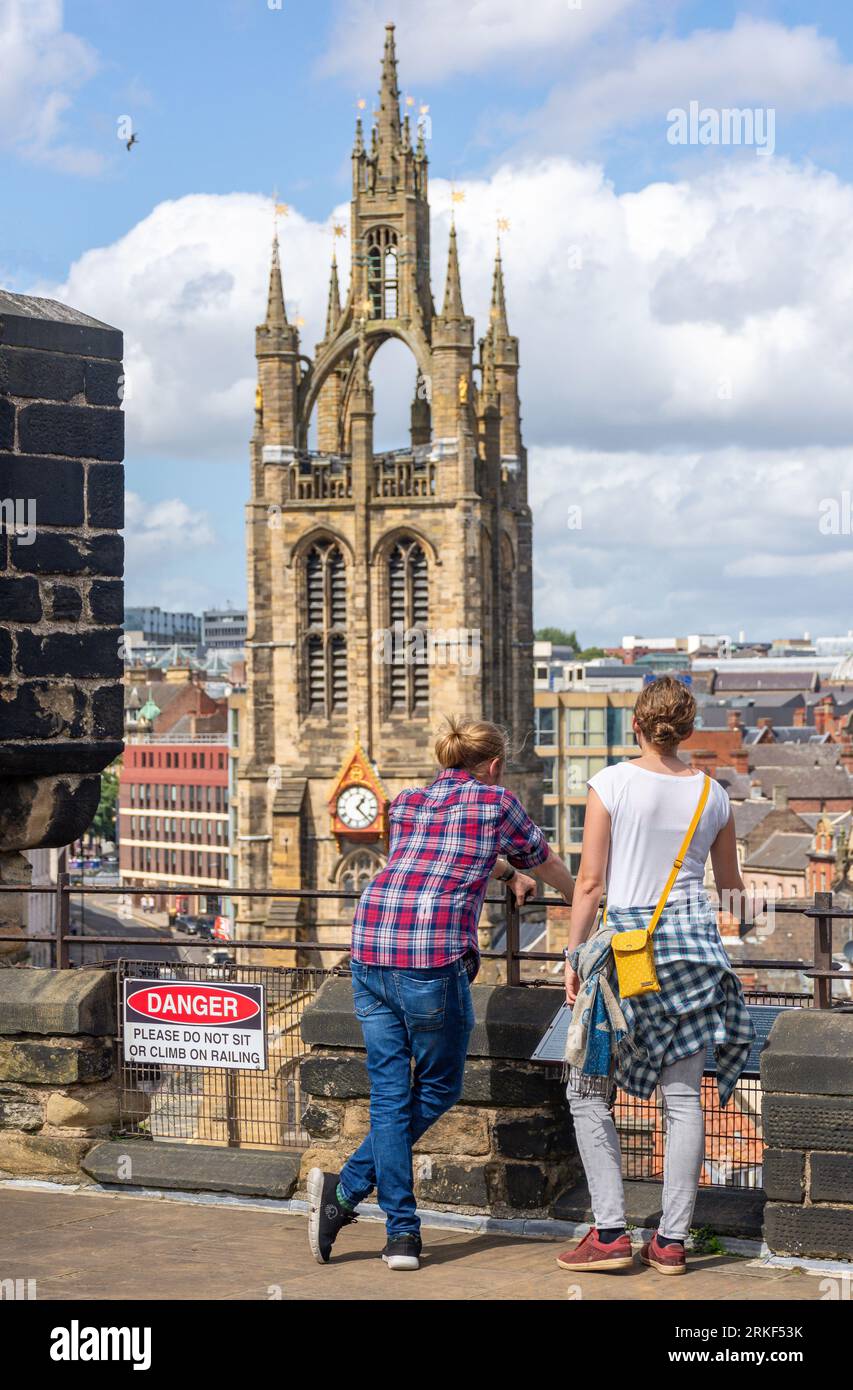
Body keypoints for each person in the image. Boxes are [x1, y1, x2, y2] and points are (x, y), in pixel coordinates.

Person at [308, 716, 575, 1271]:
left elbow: (442, 852)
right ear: (495, 764)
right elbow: (544, 861)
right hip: (429, 960)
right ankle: (348, 1194)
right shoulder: (496, 801)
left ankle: (398, 1231)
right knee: (438, 1087)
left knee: (389, 1097)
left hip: (368, 949)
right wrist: (590, 896)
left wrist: (504, 875)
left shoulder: (406, 801)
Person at [556, 676, 757, 1277]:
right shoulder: (713, 794)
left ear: (637, 726)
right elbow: (733, 890)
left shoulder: (611, 783)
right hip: (694, 949)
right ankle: (670, 1243)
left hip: (627, 952)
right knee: (682, 1099)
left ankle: (611, 1232)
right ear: (688, 731)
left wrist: (572, 957)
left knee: (588, 1088)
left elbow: (589, 884)